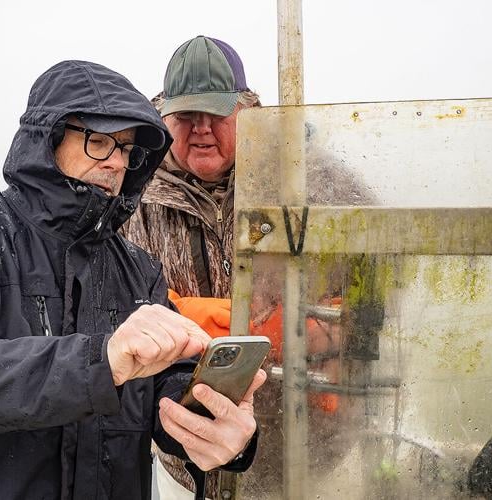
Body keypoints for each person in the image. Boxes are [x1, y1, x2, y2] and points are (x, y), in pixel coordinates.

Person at [0, 60, 264, 500]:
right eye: (99, 141)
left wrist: (217, 425)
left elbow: (167, 390)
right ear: (48, 137)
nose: (116, 162)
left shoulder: (140, 271)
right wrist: (101, 361)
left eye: (127, 149)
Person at [122, 36, 378, 499]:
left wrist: (324, 322)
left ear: (246, 109)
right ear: (164, 117)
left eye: (216, 114)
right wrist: (172, 316)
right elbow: (105, 295)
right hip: (187, 456)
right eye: (186, 116)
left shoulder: (311, 176)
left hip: (311, 453)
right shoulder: (129, 193)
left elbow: (383, 269)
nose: (201, 129)